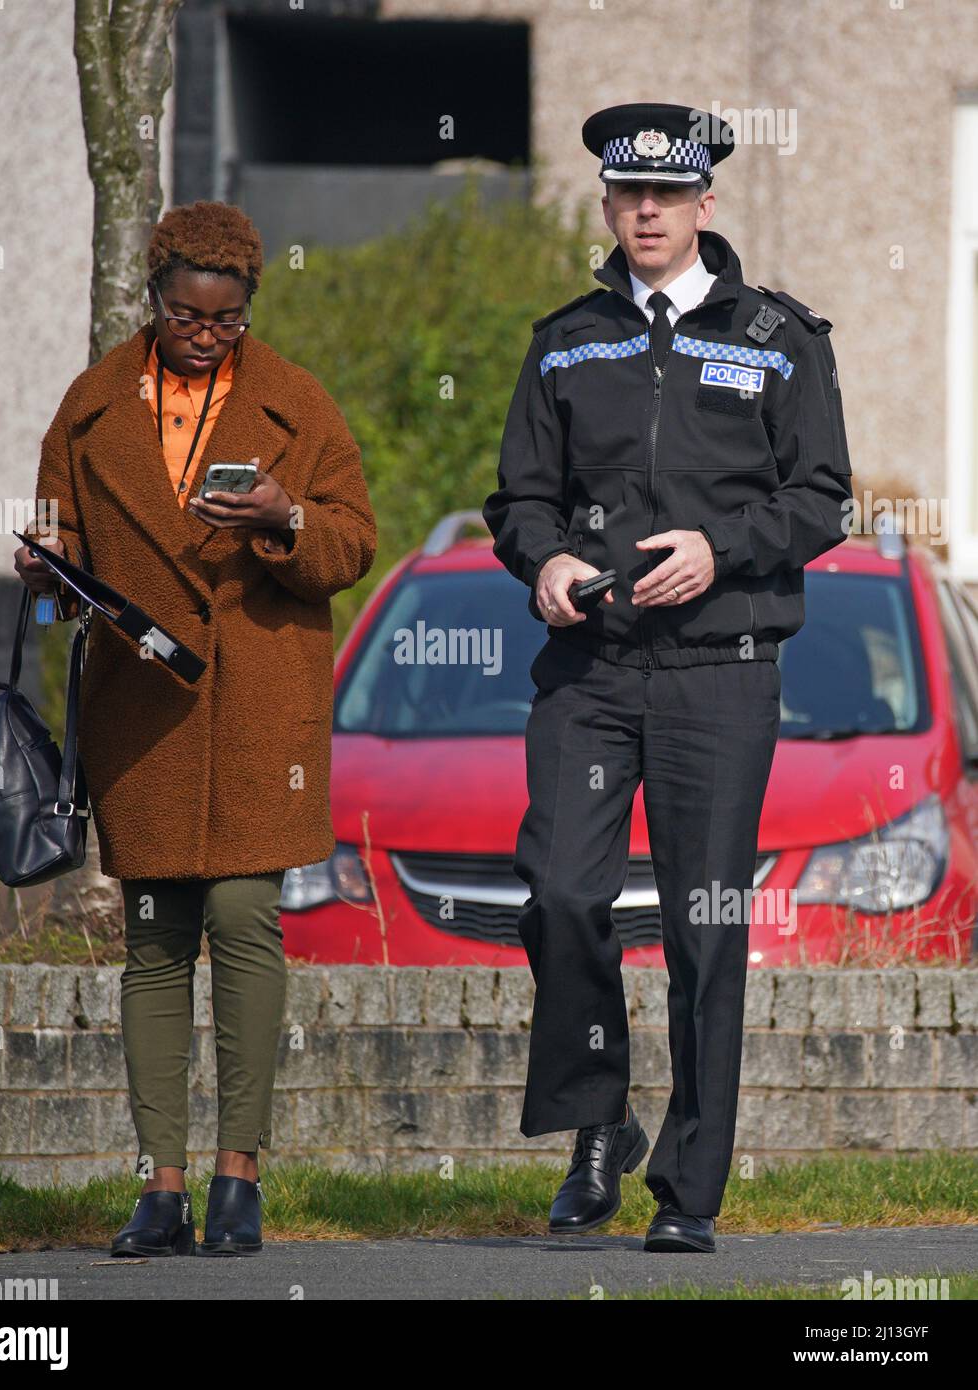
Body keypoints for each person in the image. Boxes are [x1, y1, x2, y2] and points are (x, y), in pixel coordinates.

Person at [483, 104, 852, 1251]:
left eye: (665, 194)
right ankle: (599, 1119)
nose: (644, 211)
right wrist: (539, 559)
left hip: (719, 674)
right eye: (624, 194)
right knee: (556, 891)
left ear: (704, 204)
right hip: (589, 670)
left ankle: (689, 1193)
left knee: (702, 928)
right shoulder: (564, 339)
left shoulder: (779, 337)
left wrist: (719, 547)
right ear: (605, 205)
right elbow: (518, 499)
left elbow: (821, 499)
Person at [14, 201, 377, 1256]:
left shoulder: (297, 403)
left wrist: (281, 517)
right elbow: (57, 570)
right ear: (154, 299)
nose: (206, 335)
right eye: (186, 317)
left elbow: (350, 541)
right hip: (140, 707)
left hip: (261, 703)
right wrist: (47, 574)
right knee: (154, 939)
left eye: (226, 322)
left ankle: (239, 1175)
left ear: (248, 310)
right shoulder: (88, 409)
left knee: (244, 916)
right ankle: (161, 1183)